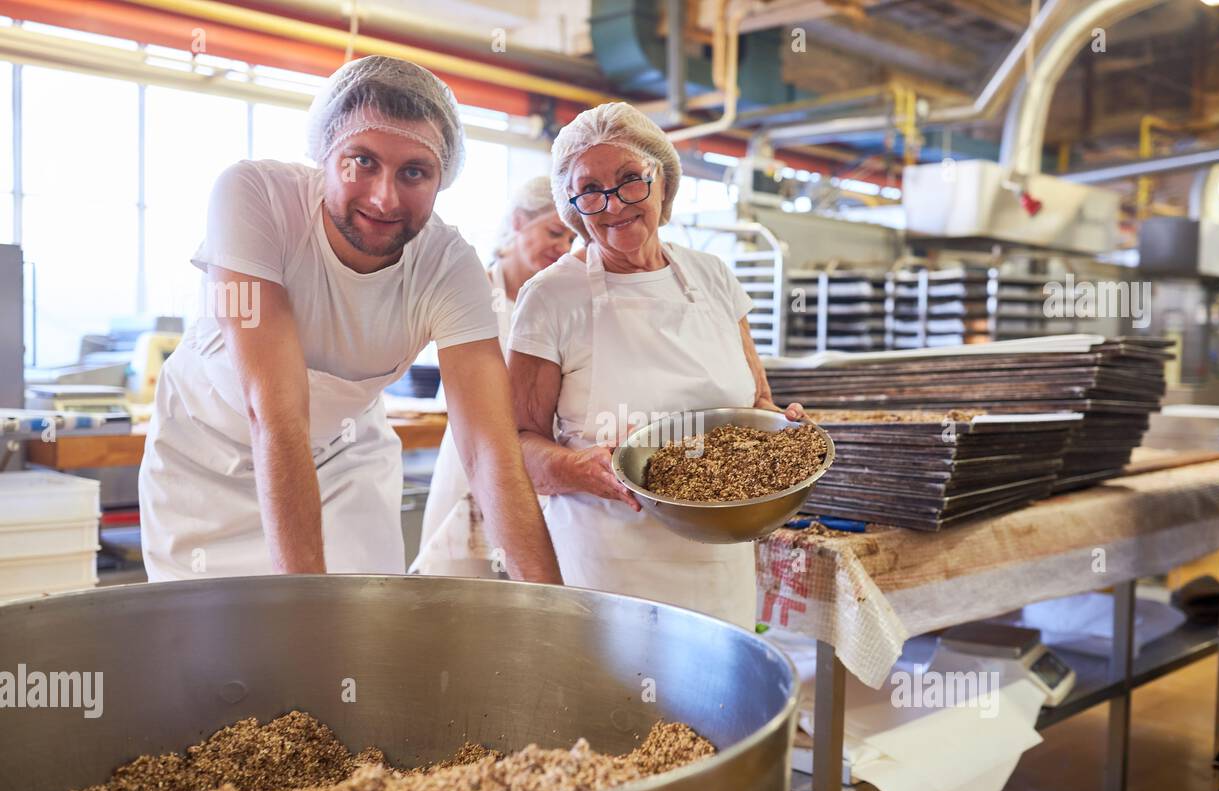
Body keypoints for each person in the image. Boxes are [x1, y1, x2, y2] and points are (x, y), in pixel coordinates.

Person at [140, 55, 560, 584]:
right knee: (220, 647)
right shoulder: (254, 199)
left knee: (357, 634)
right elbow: (272, 409)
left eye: (414, 172)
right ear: (326, 154)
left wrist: (554, 610)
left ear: (441, 177)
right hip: (204, 462)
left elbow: (490, 451)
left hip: (342, 461)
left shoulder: (449, 266)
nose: (384, 198)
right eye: (362, 161)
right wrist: (308, 612)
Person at [508, 102, 802, 629]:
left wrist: (783, 433)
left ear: (662, 181)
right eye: (590, 191)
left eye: (629, 180)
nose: (613, 204)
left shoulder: (713, 279)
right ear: (572, 205)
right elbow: (514, 446)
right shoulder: (550, 297)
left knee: (719, 703)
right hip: (608, 570)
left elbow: (757, 403)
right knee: (614, 708)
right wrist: (578, 468)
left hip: (720, 562)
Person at [411, 176, 573, 576]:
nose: (563, 247)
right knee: (459, 586)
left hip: (535, 458)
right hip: (472, 452)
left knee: (527, 585)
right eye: (554, 232)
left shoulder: (561, 299)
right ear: (518, 222)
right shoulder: (476, 288)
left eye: (571, 239)